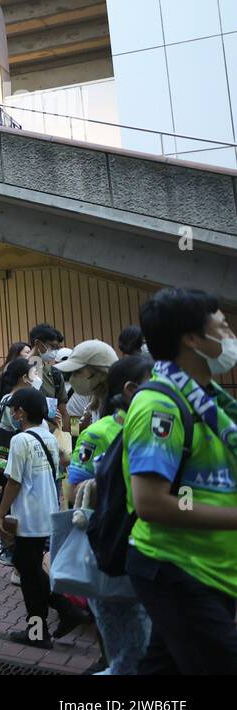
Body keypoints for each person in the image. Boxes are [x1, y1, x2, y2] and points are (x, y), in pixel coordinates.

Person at [122, 288, 237, 673]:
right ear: (192, 338)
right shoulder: (161, 406)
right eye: (223, 327)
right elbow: (151, 503)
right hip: (177, 569)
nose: (230, 336)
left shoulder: (213, 401)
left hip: (214, 568)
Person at [68, 354, 153, 675]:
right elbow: (74, 493)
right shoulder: (98, 431)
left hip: (150, 553)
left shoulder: (159, 428)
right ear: (130, 390)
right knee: (132, 655)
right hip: (114, 546)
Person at [0, 386, 83, 648]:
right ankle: (64, 613)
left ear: (20, 412)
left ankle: (41, 630)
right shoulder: (49, 437)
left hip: (28, 518)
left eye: (13, 411)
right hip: (47, 513)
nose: (11, 415)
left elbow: (13, 482)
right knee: (30, 571)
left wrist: (1, 511)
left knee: (30, 580)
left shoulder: (20, 440)